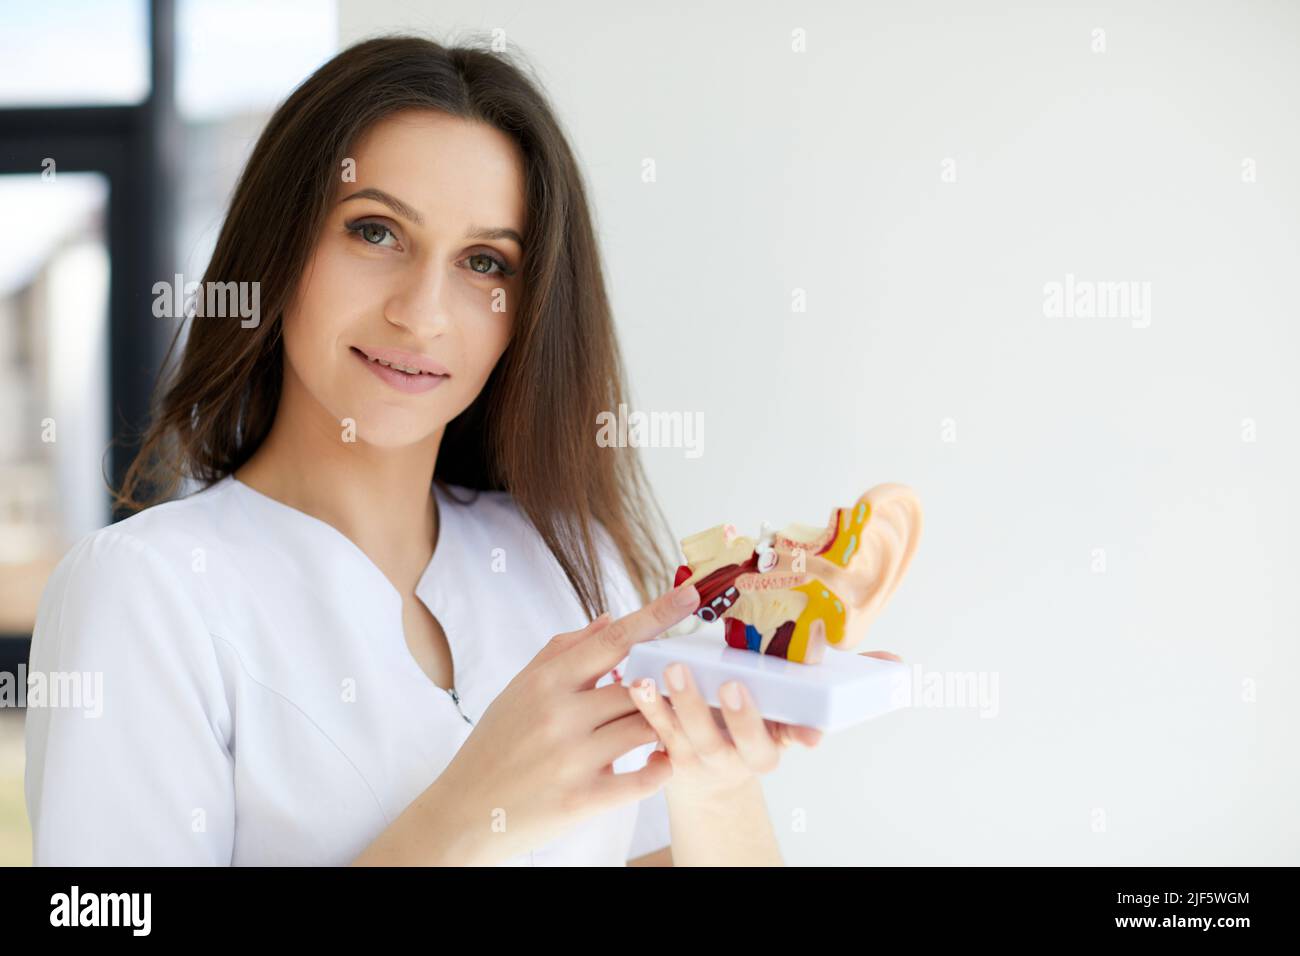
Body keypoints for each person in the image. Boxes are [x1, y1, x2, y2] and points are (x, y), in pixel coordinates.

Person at [24, 34, 866, 867]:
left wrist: (713, 783)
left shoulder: (572, 563)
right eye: (377, 232)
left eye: (484, 261)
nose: (422, 314)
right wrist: (469, 818)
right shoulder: (145, 592)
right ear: (281, 245)